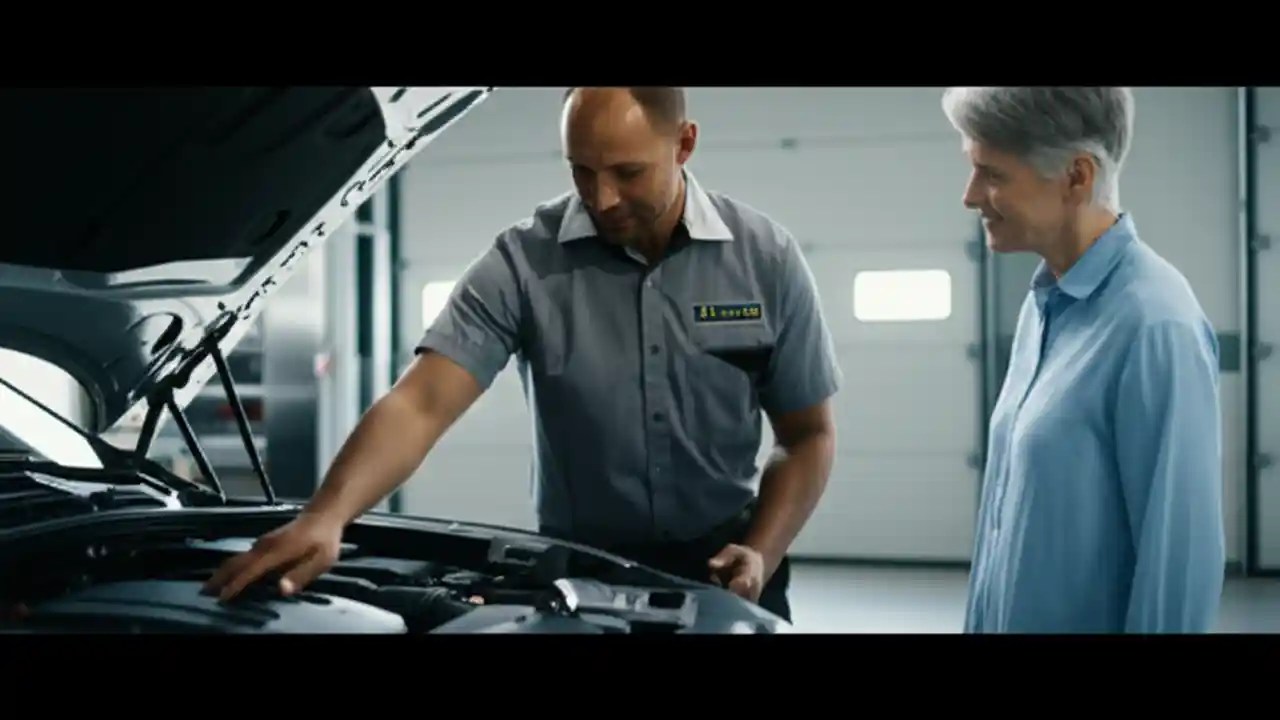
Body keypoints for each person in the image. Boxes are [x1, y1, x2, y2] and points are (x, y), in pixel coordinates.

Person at [203, 87, 841, 622]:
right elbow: (422, 402)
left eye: (627, 172)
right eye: (580, 171)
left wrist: (763, 550)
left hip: (729, 565)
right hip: (578, 573)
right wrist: (327, 515)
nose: (601, 199)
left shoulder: (765, 258)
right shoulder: (523, 262)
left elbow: (806, 436)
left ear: (684, 144)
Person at [942, 87, 1225, 633]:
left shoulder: (1154, 325)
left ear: (1078, 176)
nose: (971, 195)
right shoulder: (1045, 304)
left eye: (993, 174)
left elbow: (1177, 571)